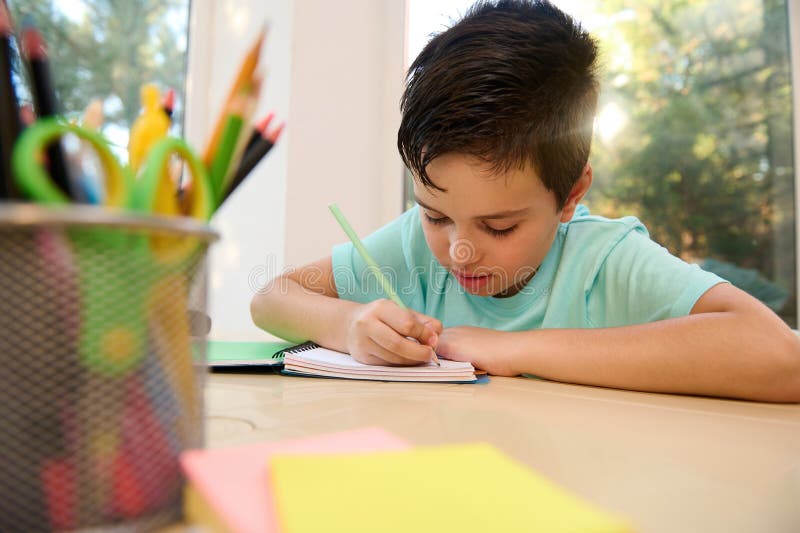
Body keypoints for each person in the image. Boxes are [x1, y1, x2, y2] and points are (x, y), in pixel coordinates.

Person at [251, 0, 800, 402]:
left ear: (571, 194)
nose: (459, 250)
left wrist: (514, 347)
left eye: (499, 227)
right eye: (436, 214)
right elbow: (272, 297)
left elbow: (781, 357)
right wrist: (351, 324)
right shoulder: (412, 247)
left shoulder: (602, 262)